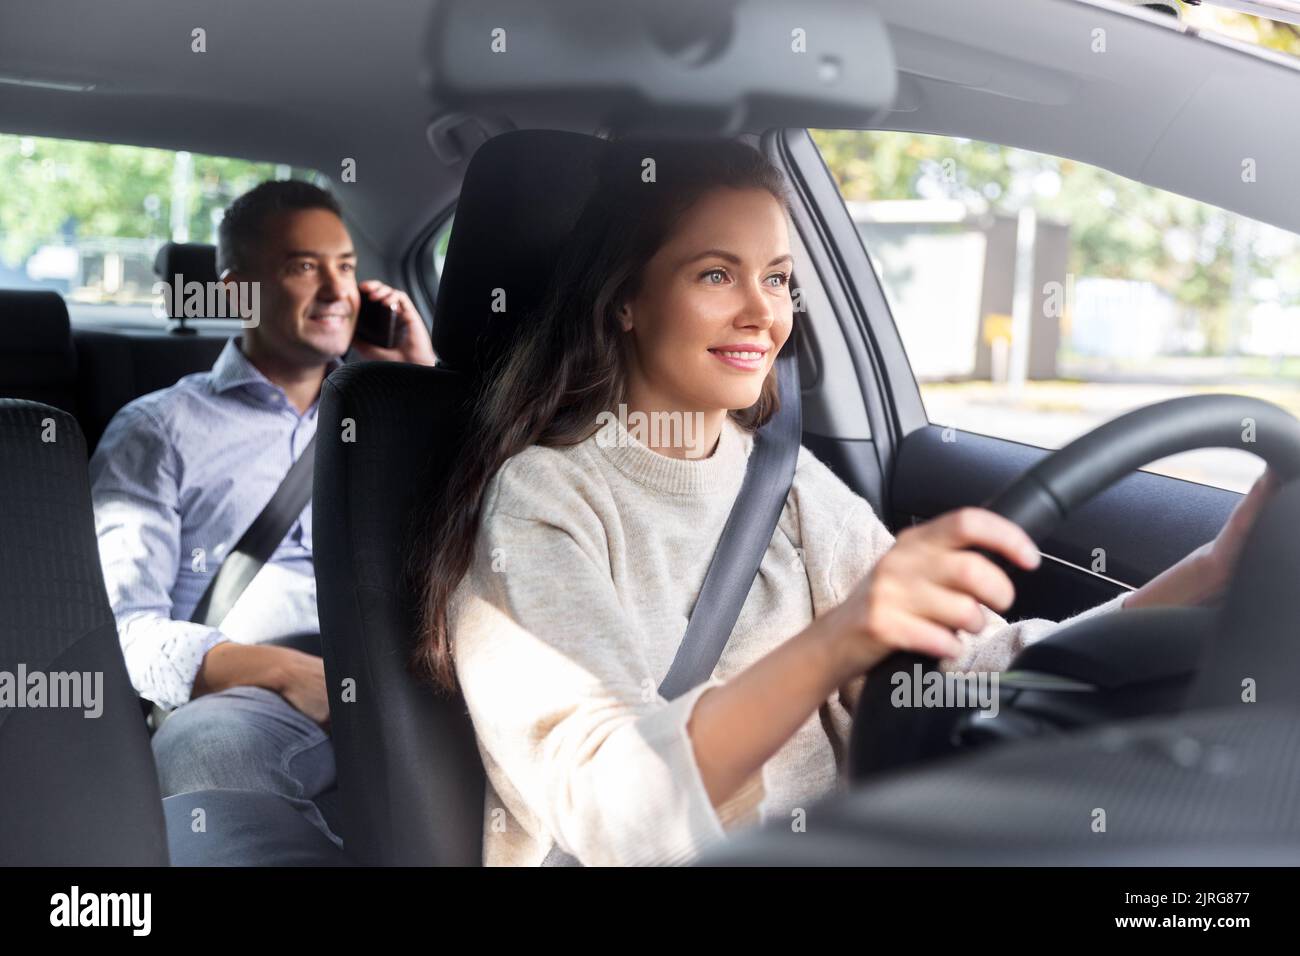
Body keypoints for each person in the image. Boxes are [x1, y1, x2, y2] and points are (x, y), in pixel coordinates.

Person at [414, 136, 1279, 867]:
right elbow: (613, 810)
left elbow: (975, 675)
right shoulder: (543, 501)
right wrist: (839, 641)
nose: (764, 311)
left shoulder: (784, 485)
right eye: (717, 275)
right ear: (629, 301)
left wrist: (1209, 572)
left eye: (779, 278)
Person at [90, 180, 437, 855]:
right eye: (304, 267)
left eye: (345, 265)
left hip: (413, 671)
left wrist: (419, 382)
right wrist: (282, 672)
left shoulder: (400, 412)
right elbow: (121, 632)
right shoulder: (159, 428)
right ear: (235, 290)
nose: (338, 291)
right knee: (207, 750)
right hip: (253, 695)